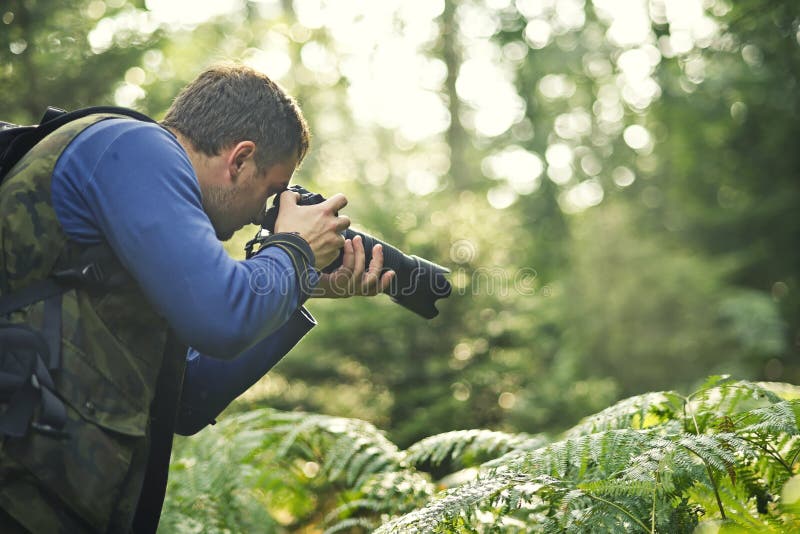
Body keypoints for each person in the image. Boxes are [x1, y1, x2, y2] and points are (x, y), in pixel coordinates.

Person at [0, 63, 393, 533]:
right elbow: (224, 318)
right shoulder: (136, 148)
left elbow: (187, 395)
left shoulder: (141, 202)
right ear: (240, 159)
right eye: (270, 191)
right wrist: (295, 251)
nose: (262, 215)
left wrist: (298, 284)